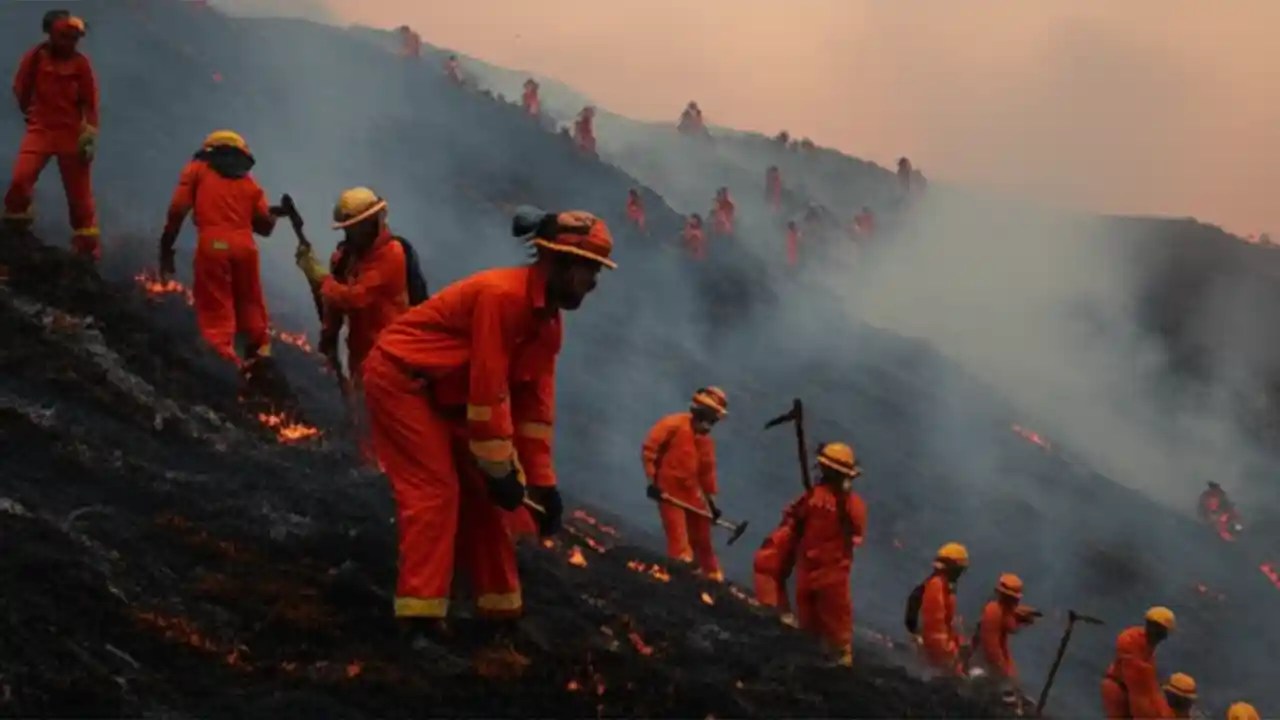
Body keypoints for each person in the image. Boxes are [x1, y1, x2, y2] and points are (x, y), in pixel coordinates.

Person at [362, 208, 613, 632]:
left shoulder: (548, 324)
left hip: (447, 394)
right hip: (403, 380)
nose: (594, 282)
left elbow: (534, 411)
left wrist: (542, 484)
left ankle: (498, 612)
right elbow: (489, 393)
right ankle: (419, 618)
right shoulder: (503, 297)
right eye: (589, 269)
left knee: (491, 501)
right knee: (436, 491)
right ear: (558, 261)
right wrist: (500, 469)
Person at [159, 130, 279, 371]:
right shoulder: (249, 182)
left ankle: (221, 357)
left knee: (216, 302)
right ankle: (260, 351)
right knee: (250, 300)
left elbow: (177, 208)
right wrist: (275, 214)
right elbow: (264, 226)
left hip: (214, 245)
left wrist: (166, 245)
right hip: (245, 248)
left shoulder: (197, 170)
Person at [4, 11, 100, 259]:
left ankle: (86, 254)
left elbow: (90, 103)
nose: (70, 43)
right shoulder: (36, 57)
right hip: (41, 130)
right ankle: (13, 234)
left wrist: (89, 133)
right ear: (51, 34)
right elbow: (20, 87)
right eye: (65, 37)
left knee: (80, 199)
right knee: (20, 180)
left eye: (73, 38)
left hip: (71, 135)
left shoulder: (81, 65)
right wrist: (30, 113)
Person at [791, 442, 867, 665]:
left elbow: (795, 518)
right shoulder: (820, 497)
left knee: (831, 620)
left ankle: (835, 660)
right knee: (820, 620)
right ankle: (822, 658)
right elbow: (795, 518)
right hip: (819, 569)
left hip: (826, 569)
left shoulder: (846, 504)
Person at [642, 387, 729, 581]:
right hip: (669, 492)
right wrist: (652, 482)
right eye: (709, 415)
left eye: (714, 418)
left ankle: (713, 578)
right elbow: (650, 451)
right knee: (678, 537)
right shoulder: (672, 424)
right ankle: (680, 578)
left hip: (692, 495)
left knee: (702, 539)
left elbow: (706, 476)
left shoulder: (706, 442)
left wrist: (712, 506)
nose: (710, 423)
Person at [1100, 606, 1176, 719]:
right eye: (1157, 629)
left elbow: (1147, 683)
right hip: (1117, 689)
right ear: (1148, 625)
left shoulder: (1149, 649)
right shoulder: (1129, 639)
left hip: (1127, 691)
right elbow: (1139, 681)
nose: (1159, 635)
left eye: (1162, 631)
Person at [976, 574, 1039, 706]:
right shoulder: (994, 612)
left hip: (994, 659)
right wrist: (1003, 672)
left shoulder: (997, 608)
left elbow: (1010, 624)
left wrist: (1019, 615)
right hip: (991, 662)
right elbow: (992, 648)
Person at [914, 542, 969, 673]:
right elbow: (935, 630)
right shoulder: (936, 587)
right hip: (938, 660)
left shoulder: (943, 586)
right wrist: (950, 658)